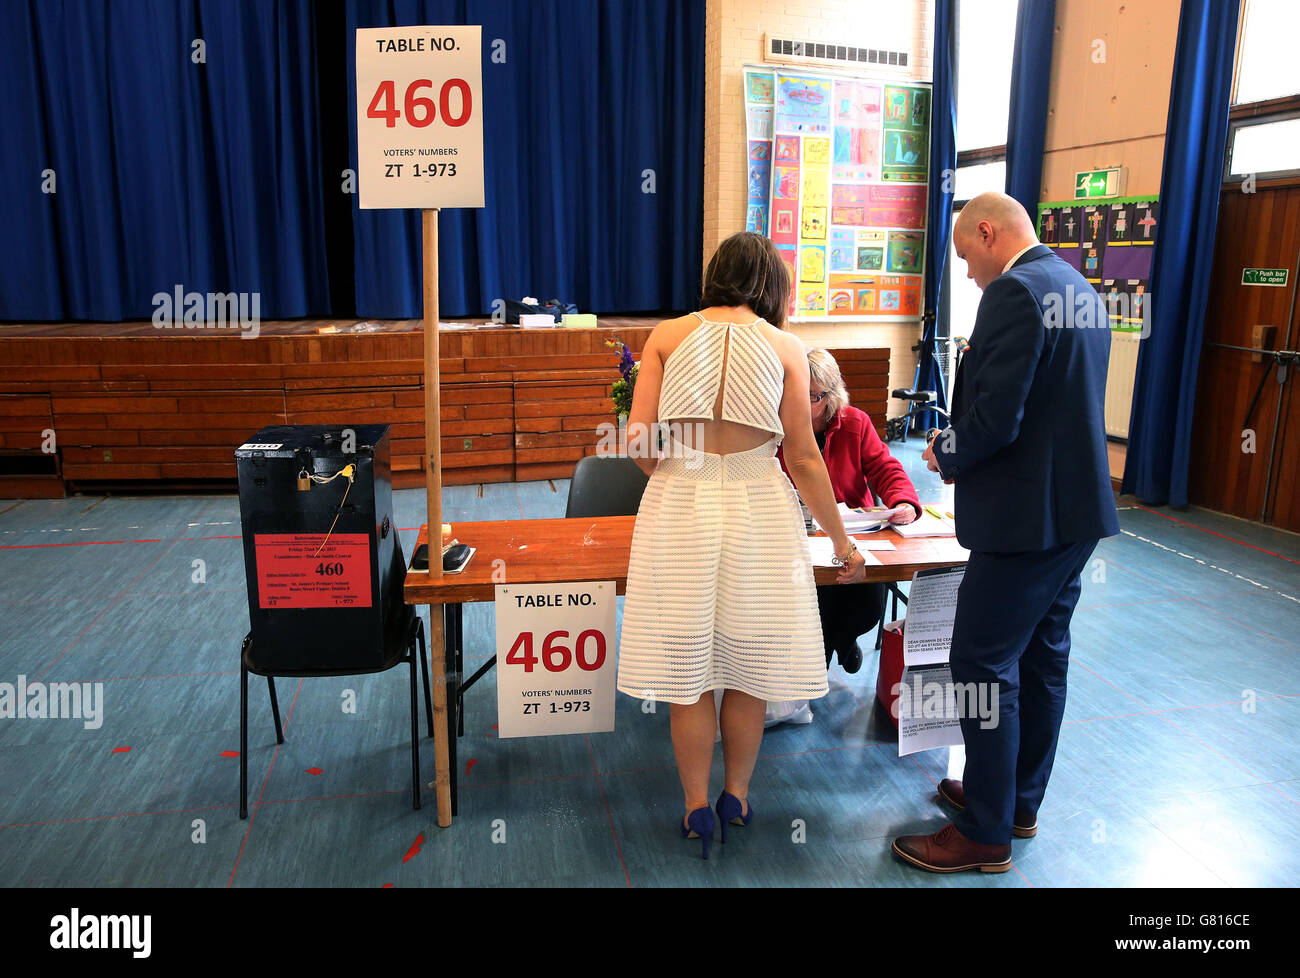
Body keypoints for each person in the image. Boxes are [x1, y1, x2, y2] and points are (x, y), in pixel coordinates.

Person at [617, 231, 868, 859]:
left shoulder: (667, 337)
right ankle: (737, 794)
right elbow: (806, 458)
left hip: (682, 506)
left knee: (688, 671)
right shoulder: (786, 347)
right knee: (751, 666)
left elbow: (639, 441)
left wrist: (674, 477)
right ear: (773, 286)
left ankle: (695, 808)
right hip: (759, 508)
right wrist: (841, 542)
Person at [892, 192, 1119, 873]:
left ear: (989, 232)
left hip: (1025, 521)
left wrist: (945, 452)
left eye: (966, 257)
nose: (968, 275)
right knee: (1042, 658)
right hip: (1075, 511)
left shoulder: (1015, 292)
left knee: (981, 666)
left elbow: (996, 417)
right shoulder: (1080, 288)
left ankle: (986, 832)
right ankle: (1017, 800)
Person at [777, 348, 921, 675]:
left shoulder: (855, 422)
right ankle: (816, 677)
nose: (800, 404)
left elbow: (884, 466)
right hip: (796, 537)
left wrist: (903, 502)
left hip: (851, 535)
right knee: (819, 606)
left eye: (812, 397)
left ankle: (843, 641)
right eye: (795, 394)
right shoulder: (777, 428)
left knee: (869, 606)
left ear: (831, 395)